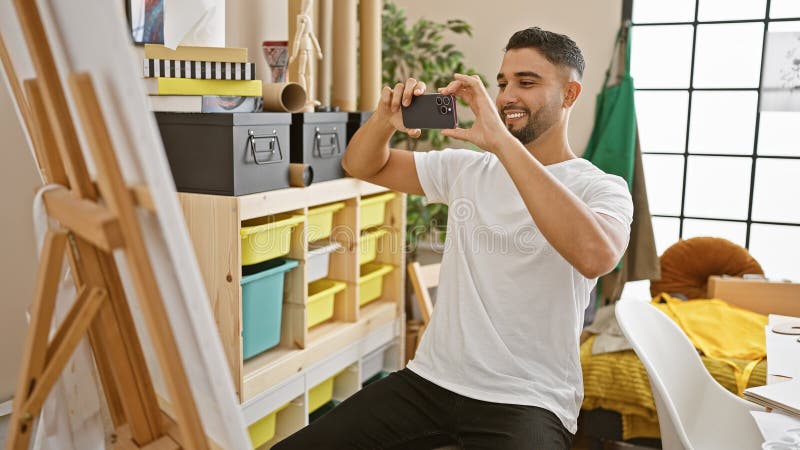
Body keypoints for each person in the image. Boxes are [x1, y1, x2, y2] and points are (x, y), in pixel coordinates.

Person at [272, 26, 633, 450]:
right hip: (430, 382)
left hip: (528, 399)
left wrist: (502, 145)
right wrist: (385, 120)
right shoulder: (467, 169)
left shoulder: (600, 187)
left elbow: (596, 256)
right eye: (502, 83)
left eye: (527, 82)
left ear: (570, 95)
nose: (507, 96)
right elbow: (362, 164)